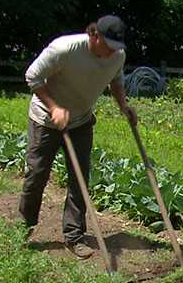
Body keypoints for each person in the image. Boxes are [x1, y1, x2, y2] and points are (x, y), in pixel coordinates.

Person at [20, 15, 137, 258]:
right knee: (37, 175)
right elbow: (33, 76)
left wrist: (123, 106)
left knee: (80, 180)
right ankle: (22, 227)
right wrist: (53, 107)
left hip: (81, 120)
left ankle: (74, 236)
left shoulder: (117, 56)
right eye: (108, 46)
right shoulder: (65, 48)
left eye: (116, 48)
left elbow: (115, 80)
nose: (111, 53)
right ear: (94, 35)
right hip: (46, 119)